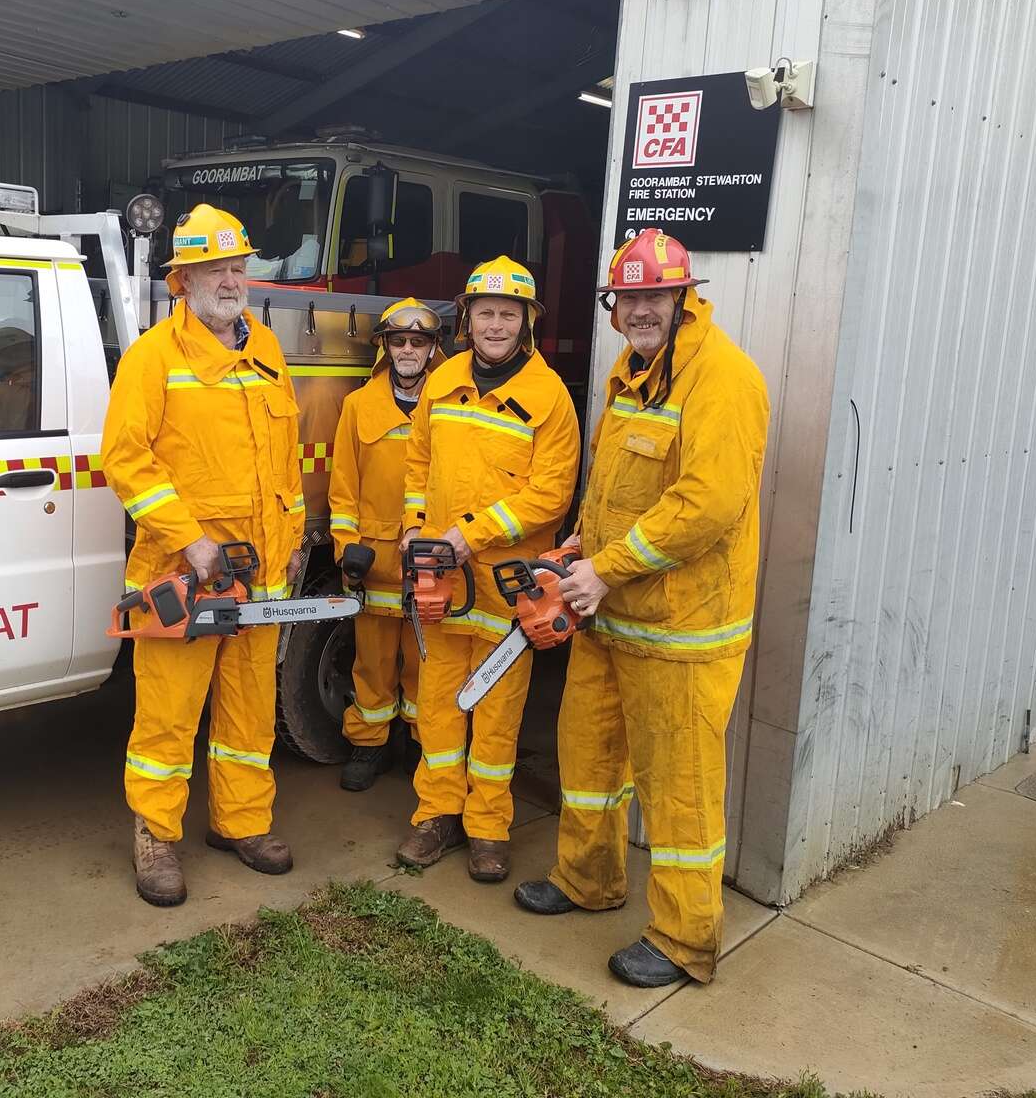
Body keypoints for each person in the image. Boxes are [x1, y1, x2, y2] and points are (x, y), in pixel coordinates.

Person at [512, 229, 769, 989]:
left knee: (680, 792)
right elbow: (620, 488)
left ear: (684, 298)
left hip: (683, 630)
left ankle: (686, 939)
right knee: (588, 760)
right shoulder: (635, 370)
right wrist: (575, 548)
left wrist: (606, 567)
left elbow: (705, 506)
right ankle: (587, 877)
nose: (641, 309)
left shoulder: (722, 379)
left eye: (655, 295)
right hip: (611, 614)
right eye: (629, 297)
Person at [101, 203, 305, 908]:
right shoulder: (153, 357)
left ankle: (241, 823)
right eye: (213, 268)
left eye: (237, 265)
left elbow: (280, 464)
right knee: (167, 715)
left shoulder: (268, 351)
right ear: (181, 280)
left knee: (251, 711)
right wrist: (191, 540)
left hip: (262, 573)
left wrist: (292, 544)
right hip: (182, 575)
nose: (229, 278)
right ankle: (156, 836)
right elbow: (124, 460)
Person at [395, 257, 580, 882]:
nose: (495, 324)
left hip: (508, 585)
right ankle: (435, 815)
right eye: (485, 312)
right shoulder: (443, 380)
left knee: (498, 711)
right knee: (439, 702)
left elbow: (550, 495)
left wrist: (468, 537)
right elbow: (416, 464)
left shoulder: (549, 397)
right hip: (441, 578)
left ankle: (487, 829)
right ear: (466, 317)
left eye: (508, 314)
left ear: (526, 322)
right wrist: (416, 530)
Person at [327, 298, 443, 792]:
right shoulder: (359, 406)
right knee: (371, 661)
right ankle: (369, 744)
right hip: (372, 560)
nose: (408, 350)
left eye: (419, 341)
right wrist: (346, 548)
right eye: (399, 341)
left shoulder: (452, 405)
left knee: (426, 661)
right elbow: (342, 488)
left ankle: (421, 744)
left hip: (429, 559)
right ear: (385, 347)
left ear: (433, 348)